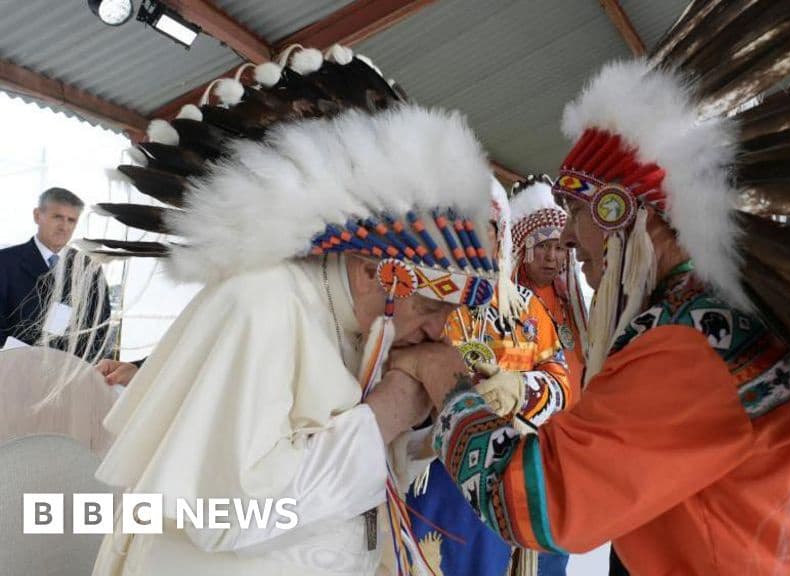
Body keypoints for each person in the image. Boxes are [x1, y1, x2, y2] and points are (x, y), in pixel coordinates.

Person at [387, 1, 790, 571]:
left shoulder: (693, 339)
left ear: (631, 215)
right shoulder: (723, 310)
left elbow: (540, 503)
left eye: (577, 212)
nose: (567, 242)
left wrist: (447, 378)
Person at [66, 44, 511, 576]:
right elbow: (224, 513)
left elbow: (347, 454)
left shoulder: (359, 321)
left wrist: (431, 412)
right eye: (432, 303)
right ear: (373, 269)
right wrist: (394, 403)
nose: (442, 328)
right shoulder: (262, 304)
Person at [406, 182, 572, 576]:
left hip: (503, 474)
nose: (474, 236)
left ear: (502, 235)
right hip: (431, 472)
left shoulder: (528, 309)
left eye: (488, 226)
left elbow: (560, 382)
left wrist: (520, 391)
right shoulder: (422, 299)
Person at [0, 187, 110, 358]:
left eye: (71, 220)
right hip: (13, 369)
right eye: (57, 217)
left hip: (69, 372)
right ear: (37, 215)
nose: (64, 227)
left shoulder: (89, 268)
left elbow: (99, 326)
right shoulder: (5, 262)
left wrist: (79, 367)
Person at [509, 175, 587, 393]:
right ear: (524, 250)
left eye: (560, 248)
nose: (551, 257)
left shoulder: (571, 304)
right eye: (542, 246)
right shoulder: (509, 303)